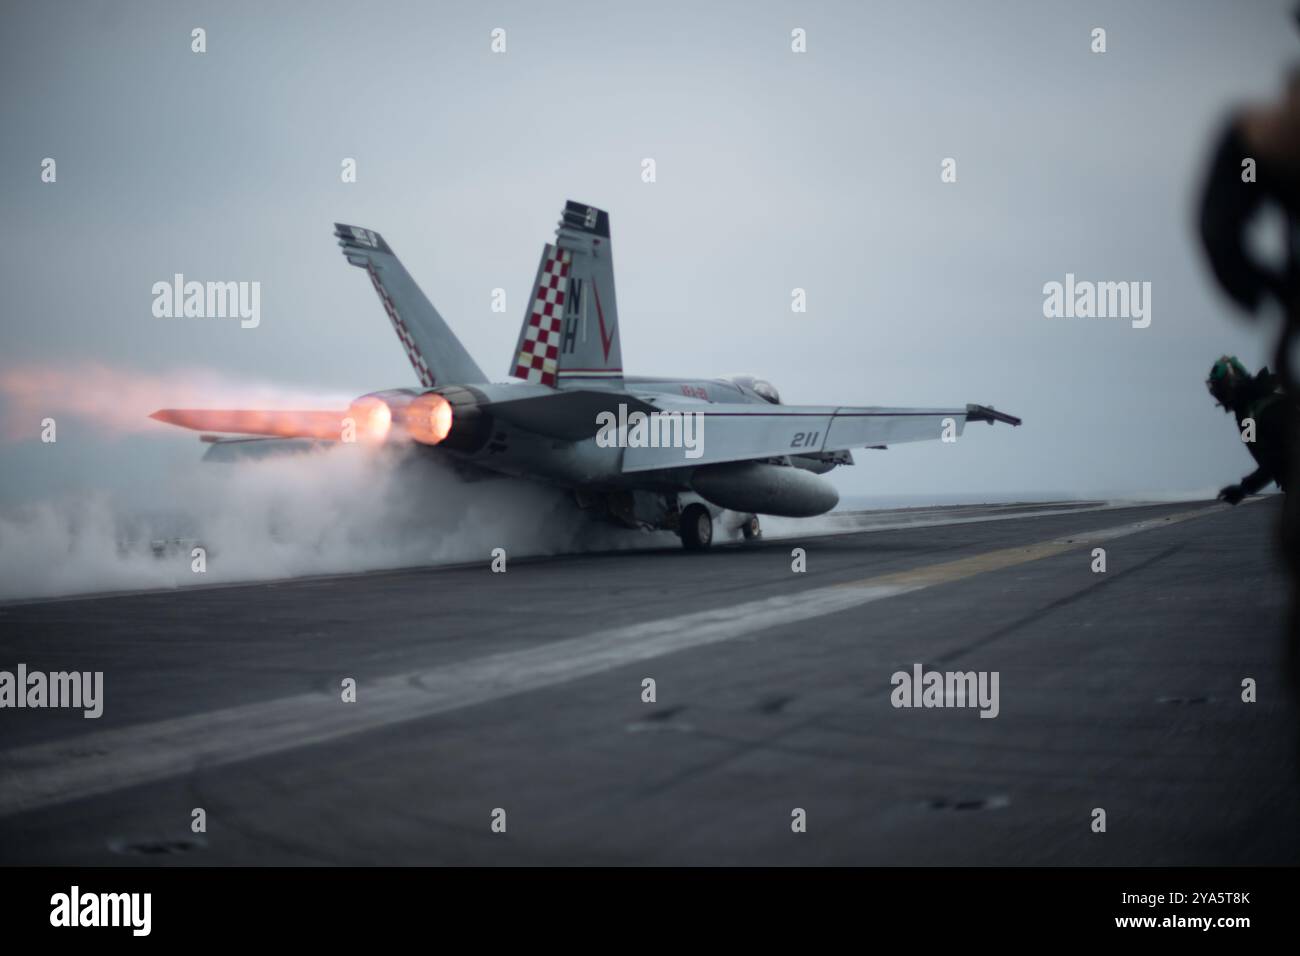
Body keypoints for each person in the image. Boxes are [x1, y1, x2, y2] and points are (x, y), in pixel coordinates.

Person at [1206, 355, 1291, 503]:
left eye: (1221, 387)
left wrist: (1245, 488)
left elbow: (1278, 458)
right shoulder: (1246, 415)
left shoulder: (1266, 408)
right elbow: (1267, 458)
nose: (1218, 394)